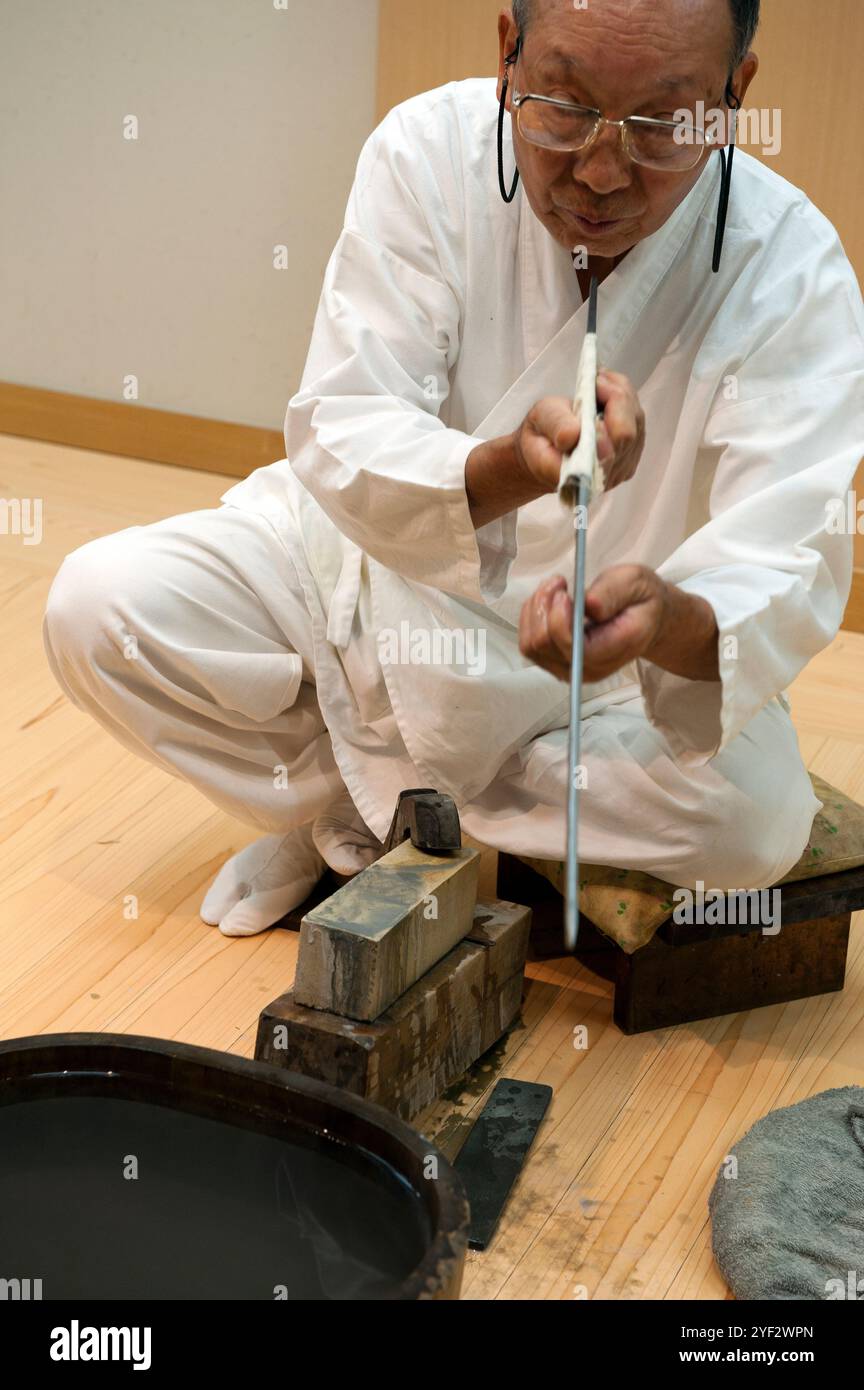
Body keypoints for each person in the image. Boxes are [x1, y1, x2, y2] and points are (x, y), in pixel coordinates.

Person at [43, 0, 864, 938]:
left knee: (757, 827)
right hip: (377, 580)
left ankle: (364, 819)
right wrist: (513, 462)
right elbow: (347, 420)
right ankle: (381, 816)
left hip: (603, 682)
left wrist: (663, 619)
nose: (602, 169)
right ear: (507, 51)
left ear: (734, 95)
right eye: (564, 105)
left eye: (664, 125)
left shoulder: (791, 265)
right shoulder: (428, 152)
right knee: (97, 609)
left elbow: (790, 555)